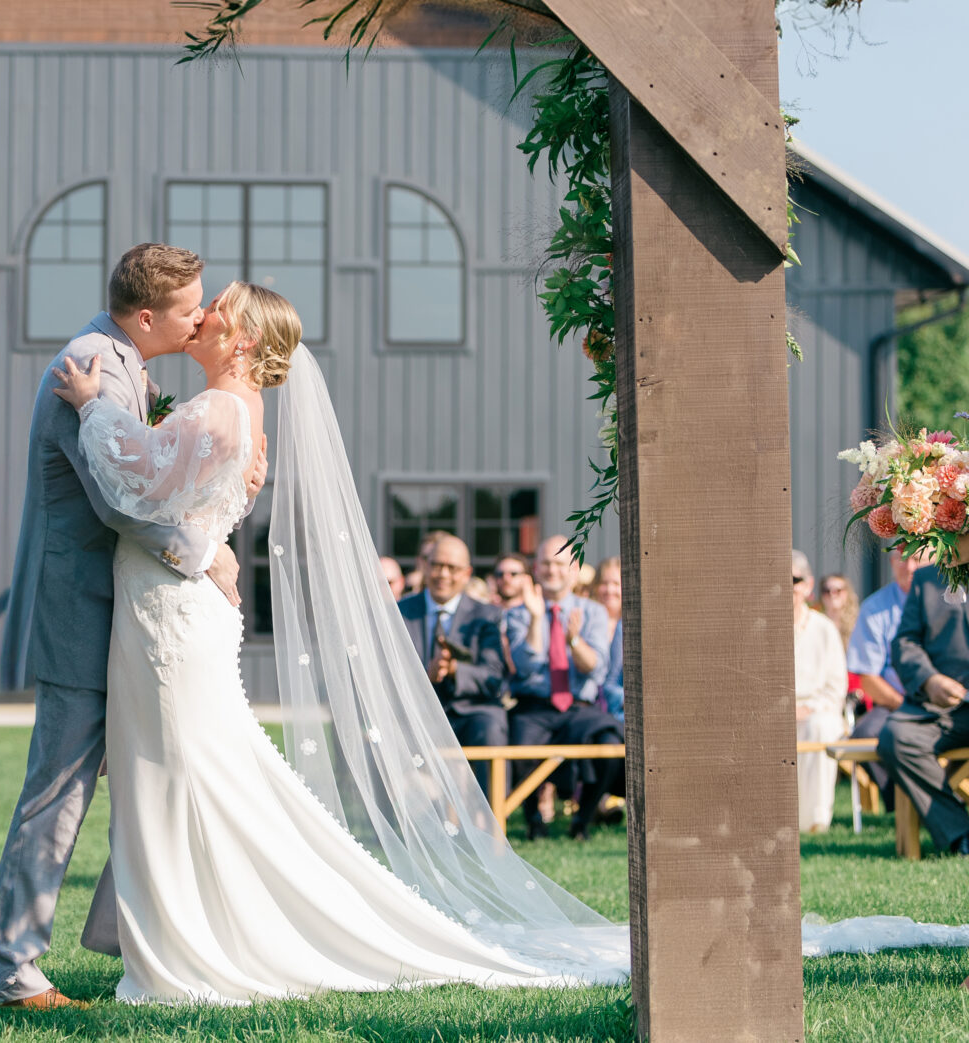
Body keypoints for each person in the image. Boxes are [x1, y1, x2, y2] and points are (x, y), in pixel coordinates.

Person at [47, 281, 969, 1004]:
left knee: (193, 771)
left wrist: (96, 406)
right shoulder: (230, 412)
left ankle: (197, 937)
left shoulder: (218, 410)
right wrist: (197, 540)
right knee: (190, 770)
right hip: (175, 619)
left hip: (172, 626)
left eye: (215, 310)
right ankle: (184, 923)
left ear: (242, 336)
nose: (200, 316)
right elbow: (180, 508)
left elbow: (135, 490)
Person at [0, 244, 254, 1010]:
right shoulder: (91, 363)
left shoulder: (122, 363)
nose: (200, 316)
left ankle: (143, 937)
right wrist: (205, 552)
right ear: (146, 317)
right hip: (79, 609)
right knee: (58, 790)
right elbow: (119, 500)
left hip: (119, 610)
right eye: (188, 307)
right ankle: (9, 970)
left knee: (145, 777)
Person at [504, 538, 622, 840]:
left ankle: (582, 820)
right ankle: (533, 821)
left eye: (560, 563)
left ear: (574, 569)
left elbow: (595, 666)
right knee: (518, 741)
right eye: (546, 563)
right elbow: (525, 665)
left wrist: (573, 640)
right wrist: (534, 619)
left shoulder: (592, 612)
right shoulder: (518, 613)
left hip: (578, 709)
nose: (552, 570)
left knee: (610, 743)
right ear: (536, 569)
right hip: (534, 706)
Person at [397, 532, 509, 789]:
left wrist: (455, 670)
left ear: (467, 572)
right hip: (416, 713)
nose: (443, 574)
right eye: (436, 565)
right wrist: (427, 675)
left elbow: (493, 677)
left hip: (470, 712)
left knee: (492, 725)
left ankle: (489, 817)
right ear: (425, 566)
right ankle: (393, 818)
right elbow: (386, 673)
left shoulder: (487, 615)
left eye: (452, 568)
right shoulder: (399, 612)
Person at [879, 562, 969, 856]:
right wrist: (929, 680)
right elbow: (905, 642)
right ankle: (961, 834)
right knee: (897, 737)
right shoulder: (928, 578)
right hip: (944, 709)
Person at [848, 549, 932, 807]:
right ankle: (898, 803)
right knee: (864, 733)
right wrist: (902, 704)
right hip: (895, 701)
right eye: (902, 558)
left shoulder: (951, 597)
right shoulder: (875, 608)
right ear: (891, 562)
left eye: (917, 558)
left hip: (945, 700)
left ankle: (942, 798)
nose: (910, 567)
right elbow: (868, 677)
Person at [792, 550, 848, 833]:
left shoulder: (824, 628)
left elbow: (837, 686)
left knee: (818, 727)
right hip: (780, 712)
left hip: (817, 710)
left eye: (795, 580)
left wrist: (809, 708)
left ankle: (815, 821)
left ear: (808, 585)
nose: (789, 587)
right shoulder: (765, 627)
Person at [592, 556, 624, 718]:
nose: (609, 590)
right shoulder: (585, 620)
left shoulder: (629, 626)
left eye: (616, 584)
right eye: (604, 583)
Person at [818, 574, 858, 648]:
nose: (832, 594)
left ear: (847, 593)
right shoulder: (816, 623)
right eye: (827, 591)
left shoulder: (857, 624)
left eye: (838, 590)